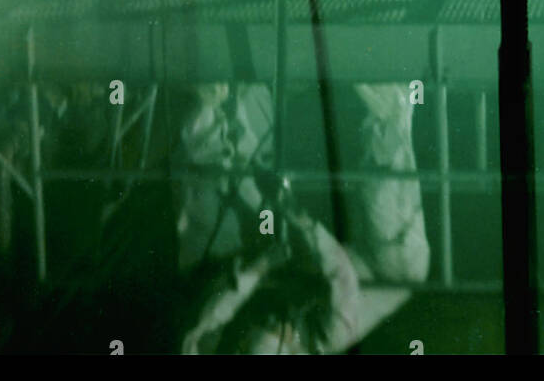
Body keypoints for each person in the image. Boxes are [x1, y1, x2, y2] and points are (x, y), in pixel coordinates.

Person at [174, 82, 430, 354]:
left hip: (280, 266)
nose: (273, 318)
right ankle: (392, 115)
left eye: (263, 323)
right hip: (383, 273)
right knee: (385, 214)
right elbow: (340, 273)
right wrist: (296, 215)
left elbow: (215, 314)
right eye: (279, 325)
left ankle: (217, 101)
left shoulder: (207, 346)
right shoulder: (331, 336)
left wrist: (261, 265)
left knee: (229, 201)